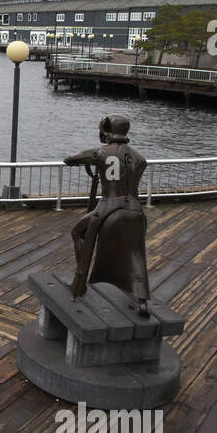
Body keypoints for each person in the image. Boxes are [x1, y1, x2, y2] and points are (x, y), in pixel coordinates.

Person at [63, 115, 152, 315]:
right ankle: (143, 299)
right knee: (137, 252)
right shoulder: (139, 158)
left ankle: (80, 282)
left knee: (79, 232)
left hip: (109, 206)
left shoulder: (101, 153)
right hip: (136, 210)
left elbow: (70, 159)